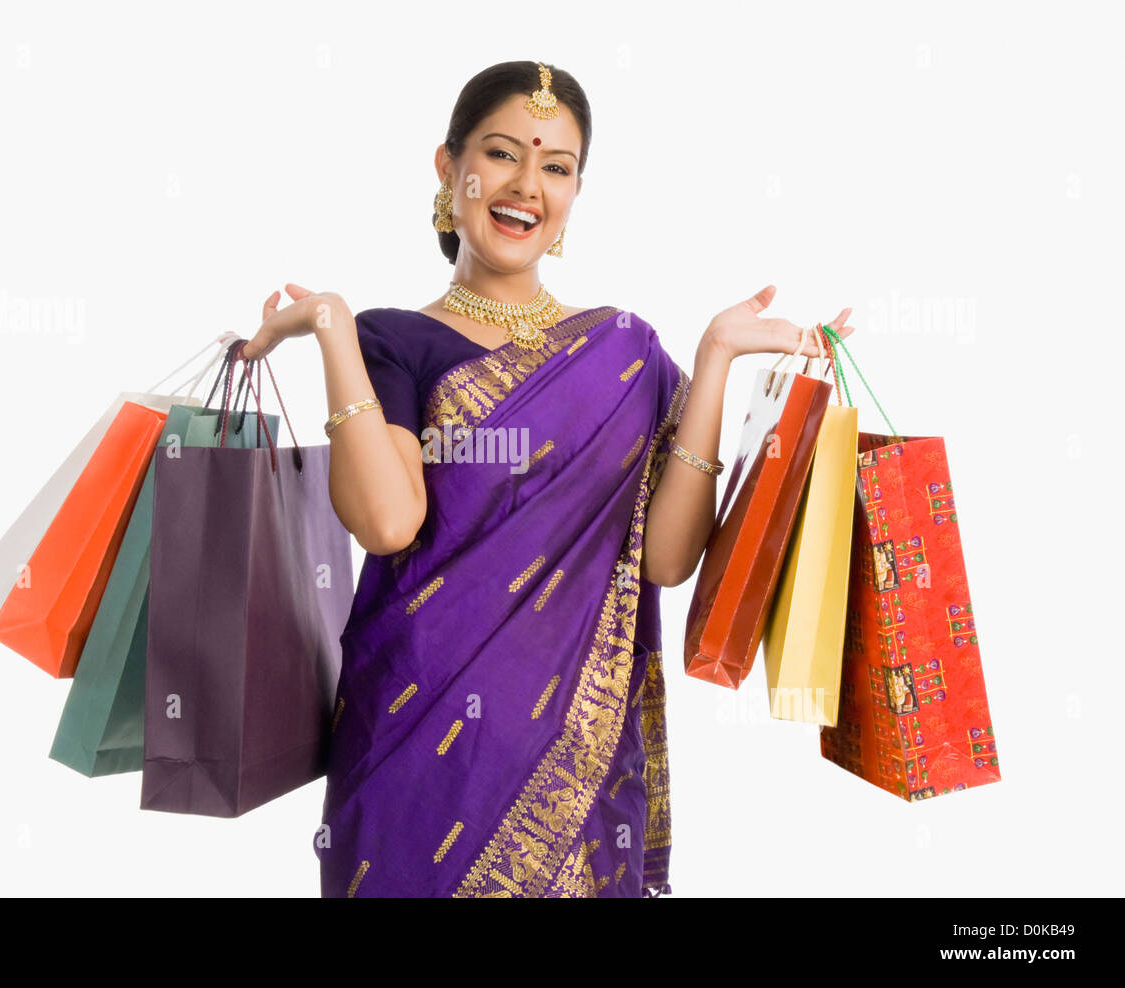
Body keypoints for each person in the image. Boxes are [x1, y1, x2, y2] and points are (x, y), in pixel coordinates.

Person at [241, 60, 855, 897]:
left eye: (556, 167)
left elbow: (668, 561)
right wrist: (333, 330)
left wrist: (714, 360)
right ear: (448, 168)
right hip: (414, 749)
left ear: (573, 193)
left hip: (580, 754)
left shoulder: (626, 355)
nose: (527, 185)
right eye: (501, 154)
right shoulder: (392, 342)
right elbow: (387, 523)